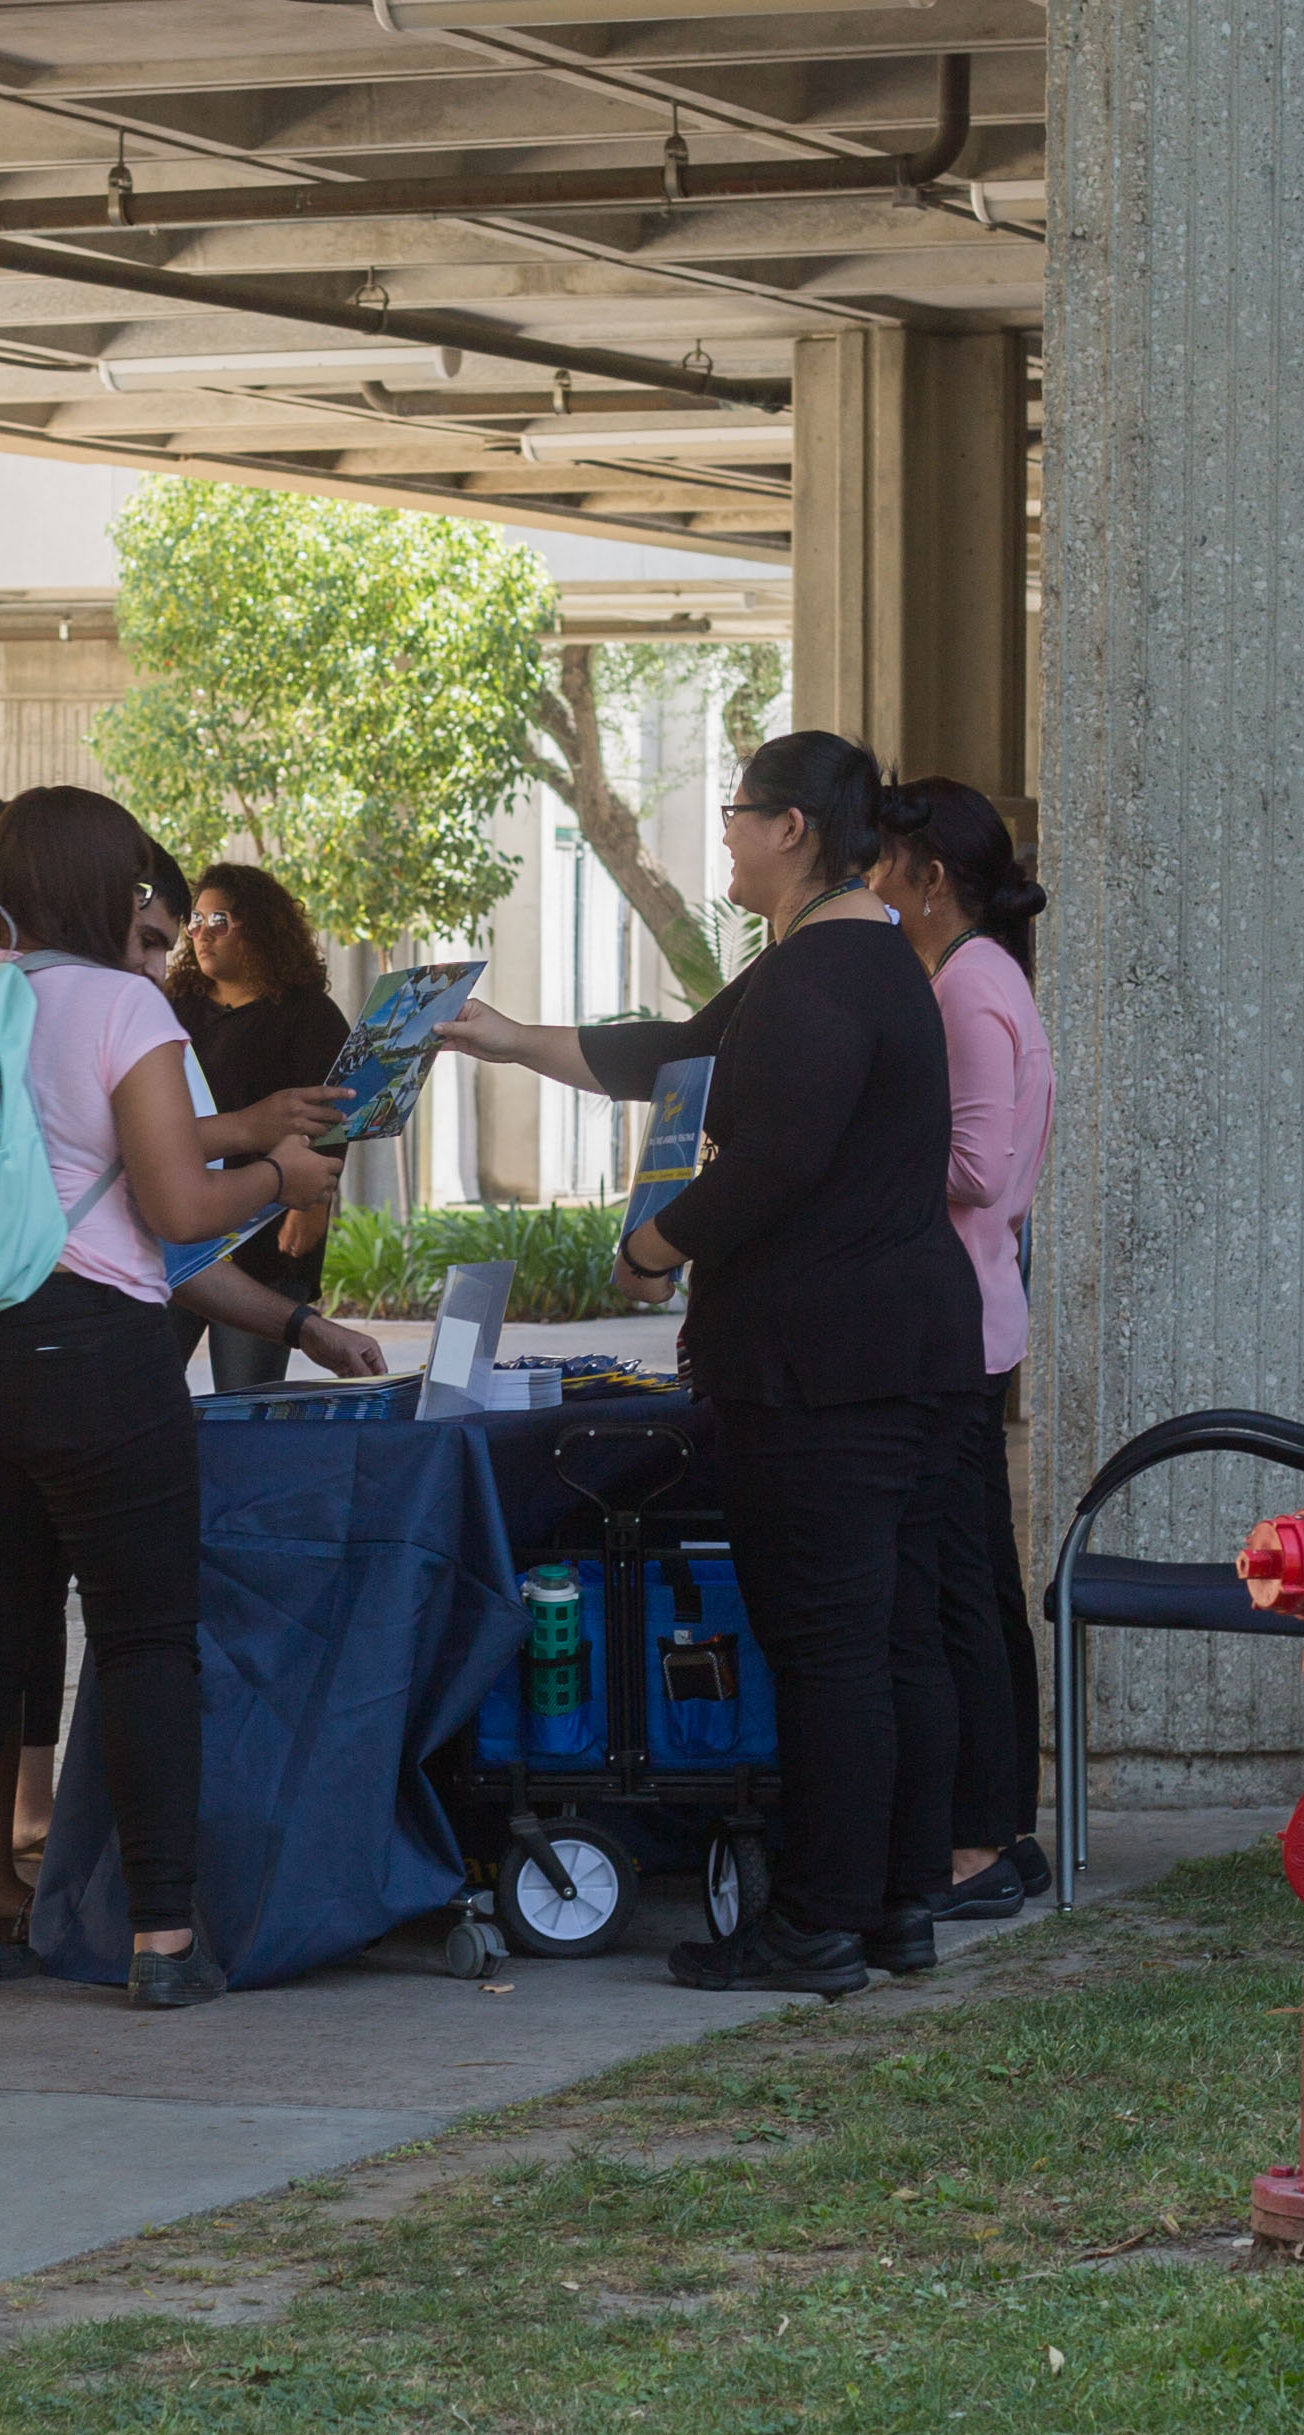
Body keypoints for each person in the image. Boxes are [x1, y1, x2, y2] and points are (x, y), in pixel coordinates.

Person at [435, 731, 984, 1997]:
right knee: (893, 1637)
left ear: (791, 828)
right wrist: (512, 1040)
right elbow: (676, 1051)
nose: (723, 834)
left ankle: (817, 1924)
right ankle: (896, 1906)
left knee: (832, 1644)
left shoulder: (820, 977)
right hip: (897, 1348)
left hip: (822, 1361)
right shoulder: (856, 957)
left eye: (736, 812)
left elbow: (774, 1156)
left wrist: (654, 1245)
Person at [0, 784, 345, 2006]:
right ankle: (162, 1940)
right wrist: (279, 1172)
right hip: (86, 1353)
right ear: (111, 890)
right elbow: (178, 1206)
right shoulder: (122, 1004)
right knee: (141, 1641)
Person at [870, 779, 1059, 1923]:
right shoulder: (988, 976)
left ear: (927, 878)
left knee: (950, 1591)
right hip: (979, 1309)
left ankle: (975, 1843)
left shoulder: (961, 985)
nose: (873, 884)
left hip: (956, 1320)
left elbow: (977, 1168)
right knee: (974, 1581)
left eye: (885, 863)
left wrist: (858, 1140)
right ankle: (997, 1830)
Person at [167, 862, 351, 1392]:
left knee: (247, 1396)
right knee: (143, 1387)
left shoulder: (308, 1014)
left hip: (269, 1227)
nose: (201, 933)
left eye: (218, 919)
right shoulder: (170, 1010)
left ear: (260, 925)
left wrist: (312, 1205)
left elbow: (334, 1113)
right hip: (183, 1222)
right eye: (194, 921)